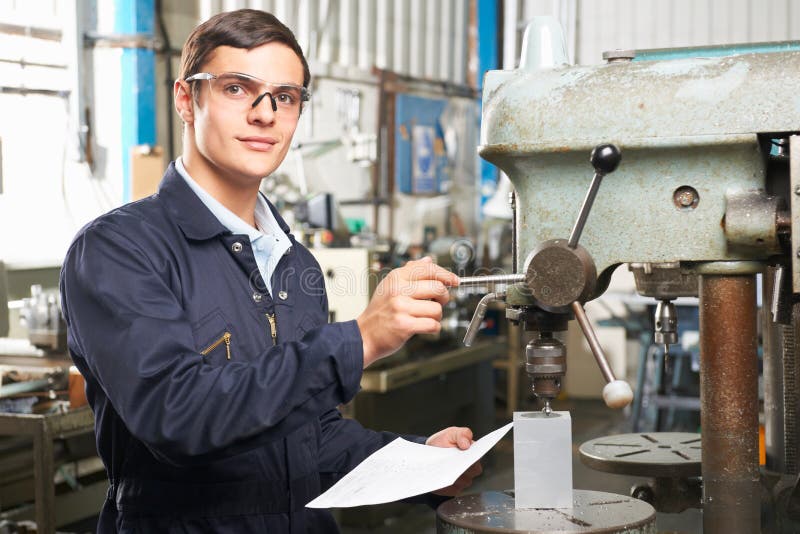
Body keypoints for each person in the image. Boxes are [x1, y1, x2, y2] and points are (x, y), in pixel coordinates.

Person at [60, 8, 481, 533]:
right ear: (186, 99)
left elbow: (309, 437)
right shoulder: (118, 251)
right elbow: (178, 416)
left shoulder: (294, 261)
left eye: (285, 97)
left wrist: (418, 461)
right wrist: (361, 340)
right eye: (238, 88)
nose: (265, 114)